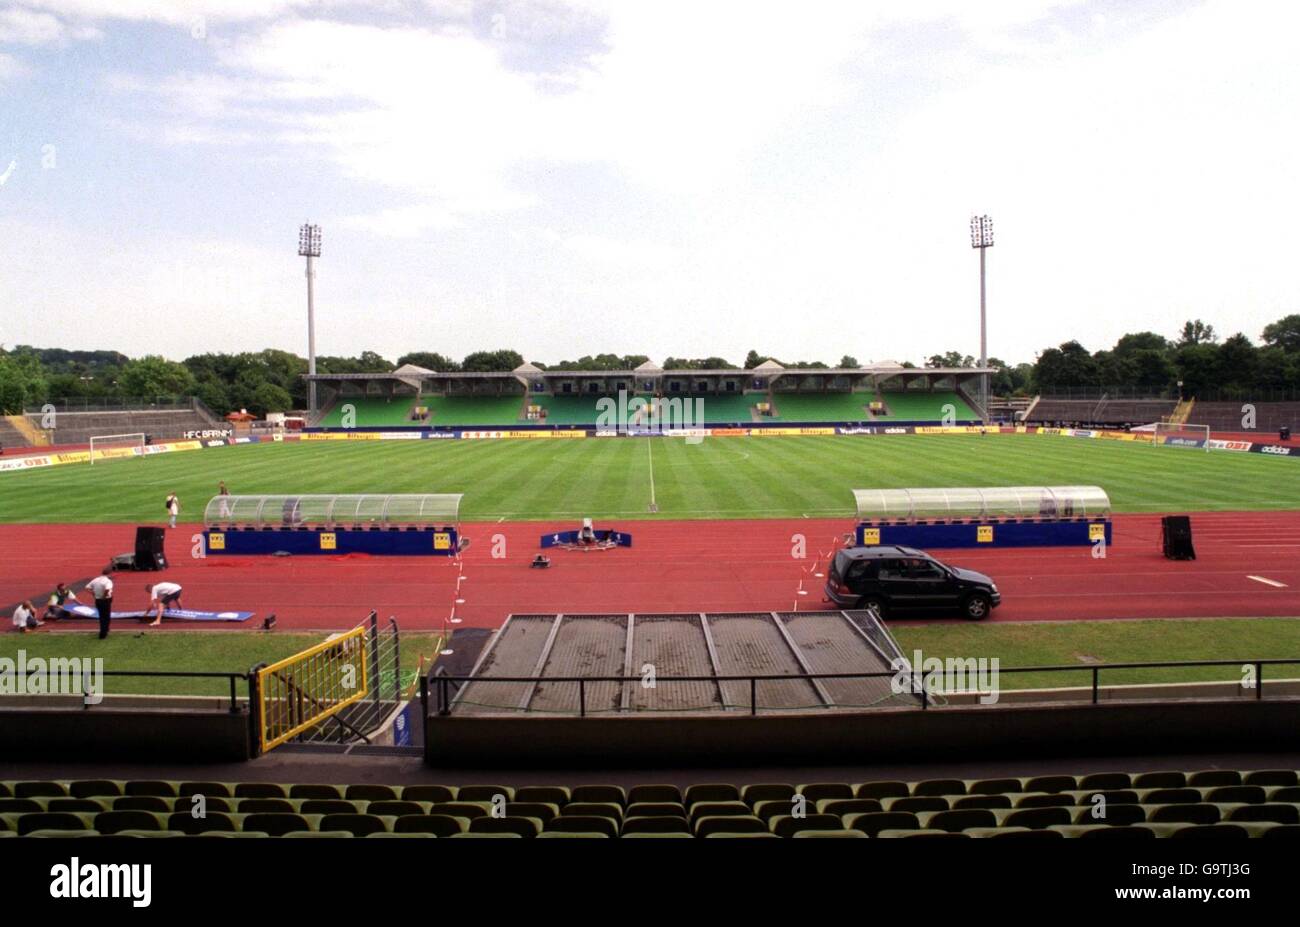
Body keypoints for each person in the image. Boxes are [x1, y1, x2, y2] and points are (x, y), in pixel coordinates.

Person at [87, 569, 114, 639]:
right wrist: (104, 597)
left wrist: (93, 593)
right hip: (105, 600)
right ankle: (103, 633)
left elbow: (87, 587)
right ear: (109, 574)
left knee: (102, 616)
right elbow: (107, 589)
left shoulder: (96, 579)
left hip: (97, 600)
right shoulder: (108, 581)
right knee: (106, 616)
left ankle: (105, 629)